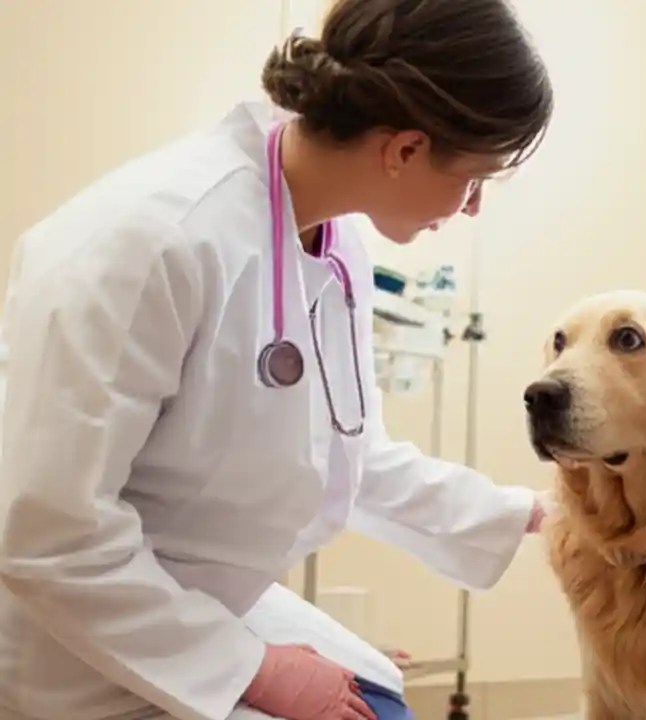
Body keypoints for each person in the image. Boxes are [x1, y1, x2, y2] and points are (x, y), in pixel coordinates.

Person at [0, 1, 553, 718]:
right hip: (80, 644)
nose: (473, 206)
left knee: (386, 705)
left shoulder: (331, 238)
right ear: (405, 150)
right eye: (476, 177)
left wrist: (531, 514)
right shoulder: (152, 242)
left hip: (206, 602)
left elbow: (348, 453)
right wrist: (254, 671)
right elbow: (48, 533)